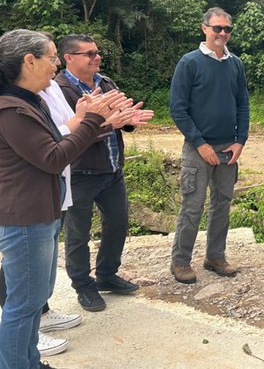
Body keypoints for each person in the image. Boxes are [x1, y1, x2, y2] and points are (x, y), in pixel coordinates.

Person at [0, 29, 125, 369]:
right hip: (25, 217)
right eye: (51, 57)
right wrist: (94, 119)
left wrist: (97, 121)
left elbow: (61, 137)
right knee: (22, 305)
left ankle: (30, 361)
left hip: (40, 209)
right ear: (29, 61)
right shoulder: (12, 111)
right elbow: (54, 157)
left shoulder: (30, 101)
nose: (55, 65)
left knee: (31, 300)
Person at [55, 34, 153, 312]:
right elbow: (68, 132)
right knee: (78, 233)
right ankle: (83, 285)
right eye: (89, 54)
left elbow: (120, 118)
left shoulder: (105, 82)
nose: (96, 57)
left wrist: (129, 122)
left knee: (118, 224)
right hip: (80, 172)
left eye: (97, 52)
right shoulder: (60, 90)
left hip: (112, 169)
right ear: (69, 58)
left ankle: (107, 274)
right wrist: (110, 124)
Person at [169, 7, 250, 284]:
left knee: (222, 204)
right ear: (204, 28)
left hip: (229, 147)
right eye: (217, 28)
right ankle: (180, 262)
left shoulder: (235, 64)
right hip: (198, 148)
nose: (223, 34)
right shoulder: (189, 63)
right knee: (193, 206)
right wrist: (200, 143)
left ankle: (215, 256)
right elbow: (178, 109)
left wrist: (240, 141)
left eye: (227, 29)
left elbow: (243, 105)